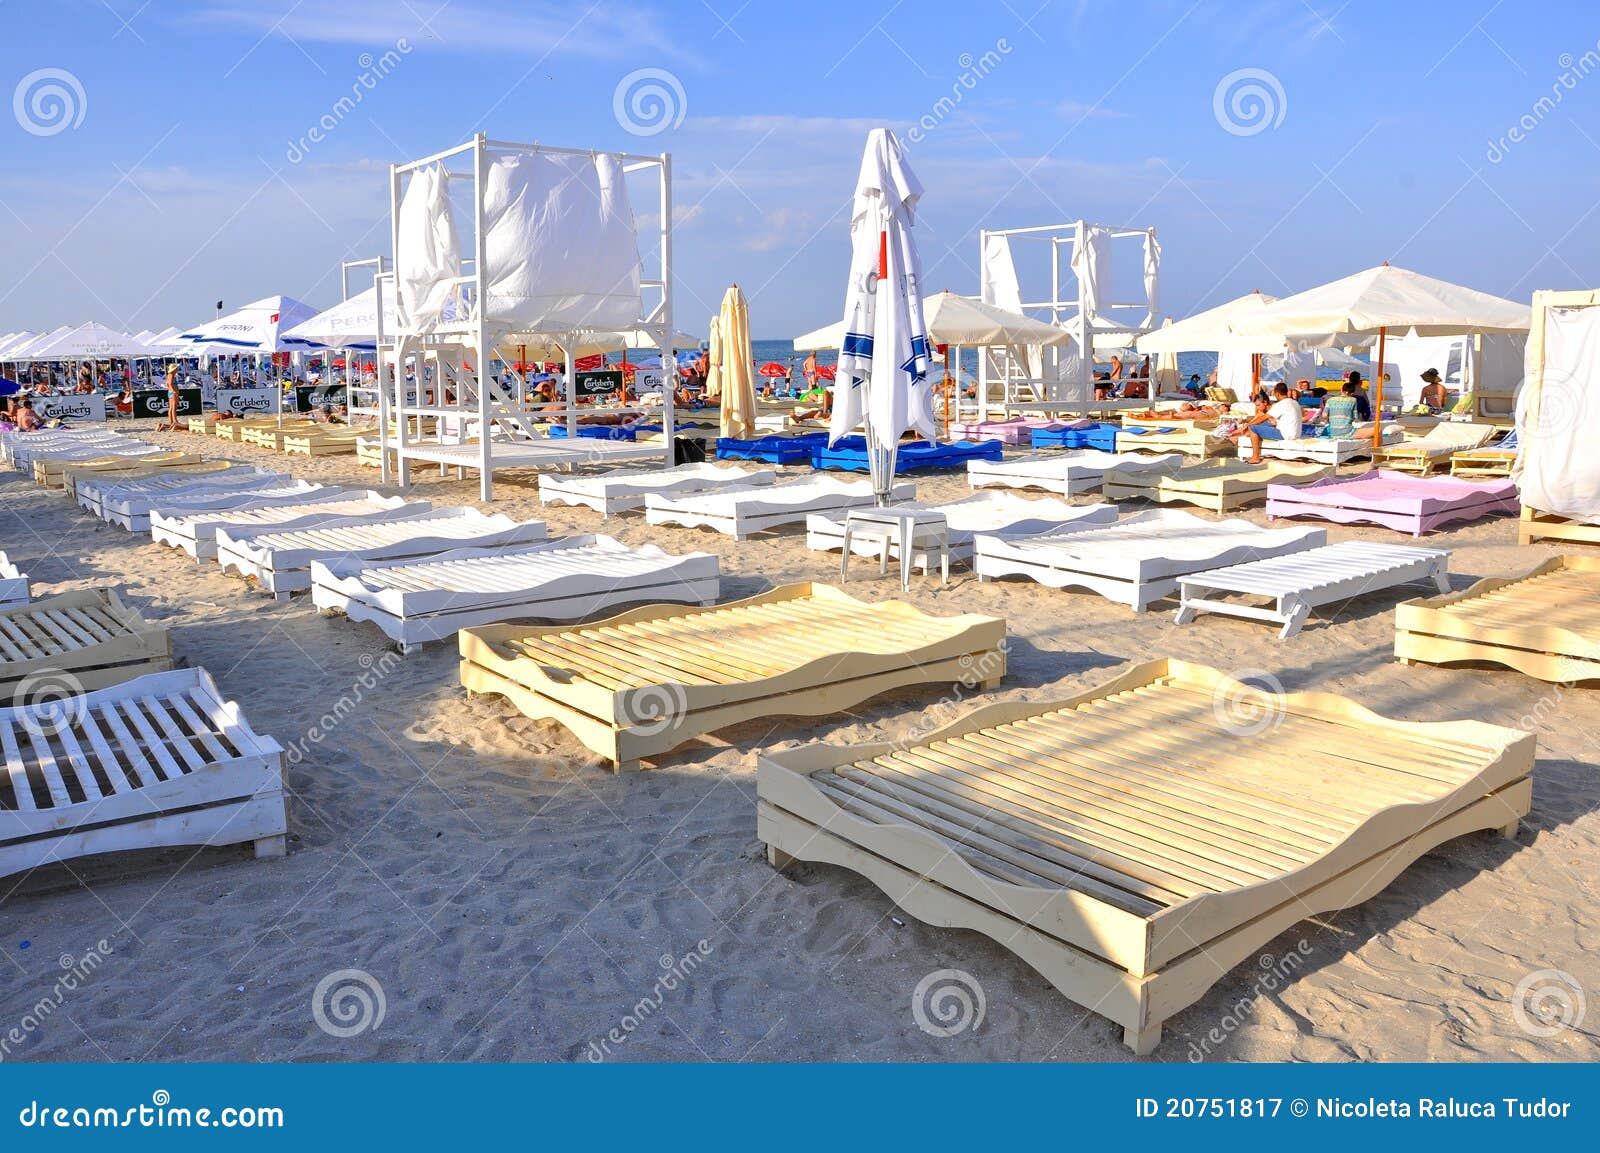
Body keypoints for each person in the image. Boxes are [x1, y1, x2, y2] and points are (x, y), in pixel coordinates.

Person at [1232, 382, 1302, 463]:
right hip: (1296, 434)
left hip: (1285, 435)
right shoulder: (1295, 403)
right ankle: (1240, 438)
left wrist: (1247, 425)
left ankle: (1255, 457)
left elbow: (1263, 418)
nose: (1274, 396)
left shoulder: (1281, 404)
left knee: (1253, 428)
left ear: (1277, 393)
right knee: (1261, 425)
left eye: (1274, 393)